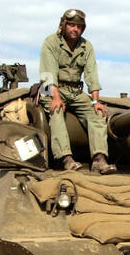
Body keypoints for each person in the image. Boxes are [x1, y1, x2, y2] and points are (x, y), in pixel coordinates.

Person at [38, 9, 114, 173]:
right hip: (49, 88)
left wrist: (95, 101)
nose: (75, 29)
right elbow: (48, 73)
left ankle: (99, 159)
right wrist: (56, 97)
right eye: (71, 25)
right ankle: (66, 158)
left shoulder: (86, 46)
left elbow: (91, 74)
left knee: (97, 114)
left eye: (79, 26)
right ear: (63, 26)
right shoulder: (51, 42)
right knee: (56, 110)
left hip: (74, 90)